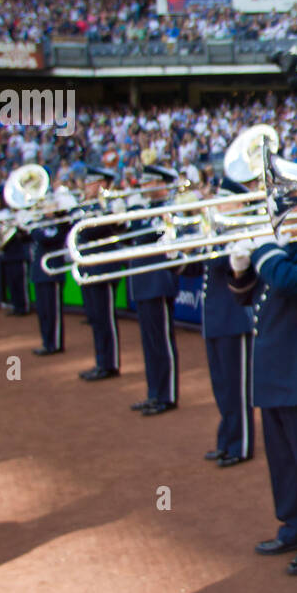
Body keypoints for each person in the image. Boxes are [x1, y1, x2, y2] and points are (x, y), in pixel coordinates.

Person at [227, 207, 297, 576]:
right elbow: (248, 297)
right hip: (274, 371)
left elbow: (292, 282)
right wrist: (241, 267)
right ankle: (292, 525)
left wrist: (261, 251)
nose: (281, 216)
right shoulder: (281, 252)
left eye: (292, 208)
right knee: (282, 460)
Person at [195, 182, 255, 467]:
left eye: (223, 201)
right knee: (221, 386)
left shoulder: (241, 231)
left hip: (235, 319)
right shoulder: (217, 232)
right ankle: (226, 440)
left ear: (238, 204)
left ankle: (240, 444)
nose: (217, 205)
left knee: (236, 388)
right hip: (216, 319)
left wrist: (209, 236)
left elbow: (225, 264)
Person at [127, 167, 181, 416]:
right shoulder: (142, 211)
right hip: (142, 282)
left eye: (151, 182)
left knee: (162, 343)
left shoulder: (169, 209)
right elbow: (131, 234)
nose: (145, 186)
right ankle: (153, 392)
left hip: (158, 282)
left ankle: (167, 394)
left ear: (163, 183)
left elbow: (157, 235)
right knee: (149, 344)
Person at [76, 168, 122, 381]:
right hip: (88, 267)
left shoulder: (112, 204)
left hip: (104, 266)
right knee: (95, 318)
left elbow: (90, 231)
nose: (87, 187)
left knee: (105, 318)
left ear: (102, 183)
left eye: (91, 183)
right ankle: (100, 361)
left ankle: (110, 363)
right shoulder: (87, 206)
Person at [29, 190, 73, 356]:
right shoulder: (39, 223)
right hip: (40, 271)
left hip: (53, 271)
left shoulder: (60, 224)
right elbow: (34, 235)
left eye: (49, 205)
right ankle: (46, 341)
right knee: (43, 311)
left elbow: (45, 237)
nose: (45, 208)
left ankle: (54, 343)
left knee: (53, 310)